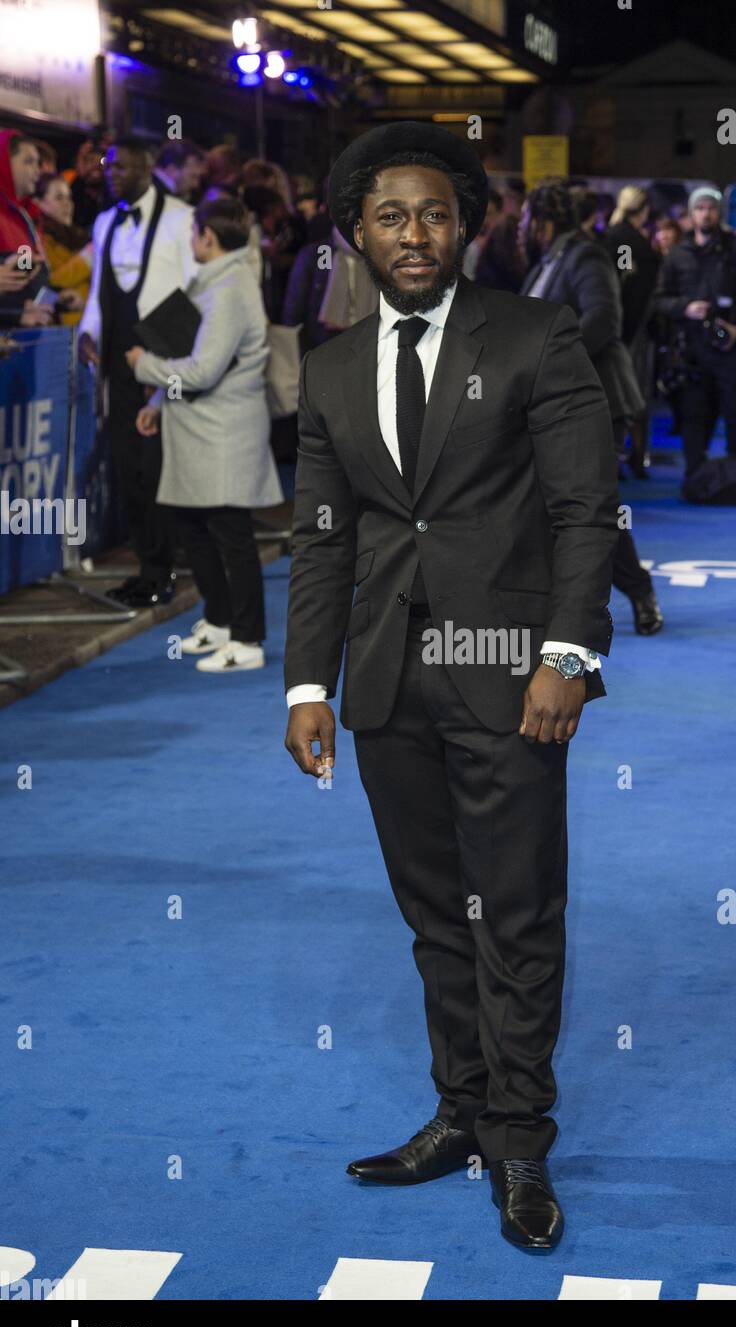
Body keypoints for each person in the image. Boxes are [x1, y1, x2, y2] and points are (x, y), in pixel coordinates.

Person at [283, 121, 621, 1252]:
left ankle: (520, 1139)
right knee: (437, 919)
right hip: (387, 684)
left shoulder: (535, 335)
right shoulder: (329, 367)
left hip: (512, 678)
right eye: (391, 216)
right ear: (357, 234)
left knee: (516, 915)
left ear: (465, 222)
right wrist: (304, 687)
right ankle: (462, 1111)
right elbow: (324, 541)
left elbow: (583, 511)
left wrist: (568, 654)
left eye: (433, 212)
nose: (414, 233)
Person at [128, 195, 282, 671]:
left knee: (230, 535)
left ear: (207, 237)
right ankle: (218, 622)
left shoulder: (231, 286)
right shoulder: (218, 280)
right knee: (196, 529)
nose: (191, 241)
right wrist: (158, 402)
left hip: (223, 432)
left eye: (193, 233)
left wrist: (144, 367)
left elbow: (202, 369)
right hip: (200, 429)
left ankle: (249, 640)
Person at [519, 176, 663, 635]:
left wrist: (546, 362)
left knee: (592, 509)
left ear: (541, 221)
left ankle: (639, 592)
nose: (520, 225)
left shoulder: (585, 255)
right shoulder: (548, 261)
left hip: (593, 400)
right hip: (551, 405)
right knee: (547, 507)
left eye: (526, 217)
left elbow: (602, 321)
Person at [77, 135, 197, 607]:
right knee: (127, 469)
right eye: (108, 167)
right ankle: (147, 567)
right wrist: (89, 332)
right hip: (116, 366)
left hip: (162, 361)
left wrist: (178, 364)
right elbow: (96, 296)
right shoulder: (105, 222)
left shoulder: (181, 218)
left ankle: (164, 569)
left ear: (149, 166)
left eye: (122, 166)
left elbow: (193, 292)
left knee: (158, 468)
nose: (113, 174)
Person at [653, 185, 736, 495]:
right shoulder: (677, 254)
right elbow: (658, 300)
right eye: (699, 208)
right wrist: (685, 308)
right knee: (695, 417)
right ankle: (695, 477)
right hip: (693, 350)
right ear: (691, 213)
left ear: (719, 212)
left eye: (710, 208)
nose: (706, 214)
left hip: (731, 347)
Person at [605, 185, 662, 473]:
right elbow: (640, 295)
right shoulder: (637, 246)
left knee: (611, 399)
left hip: (608, 332)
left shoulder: (606, 238)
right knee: (635, 398)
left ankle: (614, 461)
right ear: (645, 211)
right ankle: (636, 459)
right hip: (632, 333)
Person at [0, 130, 54, 329]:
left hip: (23, 335)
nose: (37, 170)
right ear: (4, 161)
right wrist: (14, 315)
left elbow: (20, 271)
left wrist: (58, 291)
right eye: (28, 161)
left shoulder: (25, 216)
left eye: (38, 163)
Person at [35, 173, 91, 327]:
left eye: (69, 197)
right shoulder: (37, 240)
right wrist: (86, 260)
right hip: (62, 330)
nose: (67, 204)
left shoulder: (78, 237)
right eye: (59, 198)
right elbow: (46, 281)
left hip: (88, 325)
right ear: (39, 203)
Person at [154, 139, 207, 204]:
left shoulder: (152, 190)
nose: (195, 185)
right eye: (193, 176)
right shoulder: (160, 199)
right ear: (172, 170)